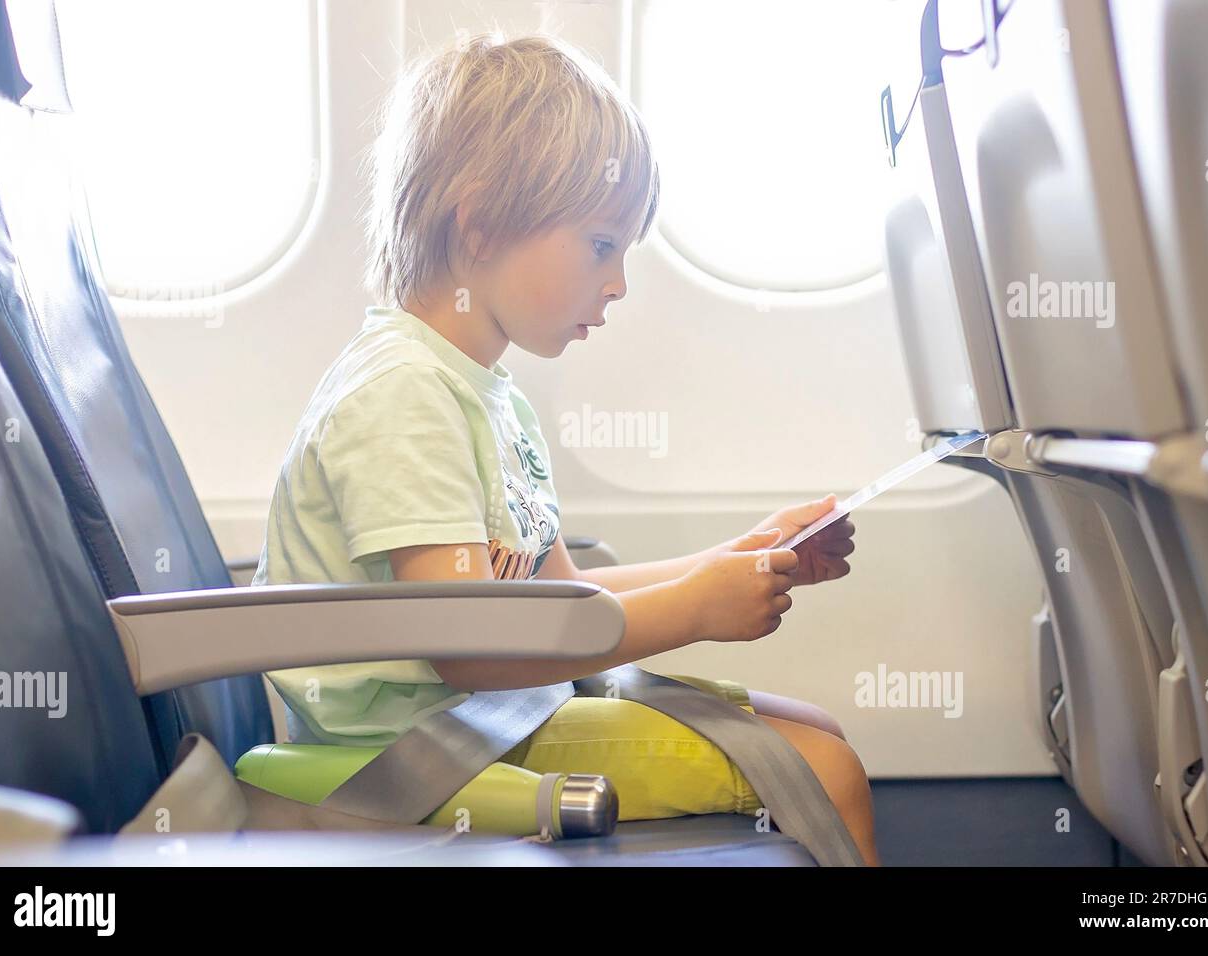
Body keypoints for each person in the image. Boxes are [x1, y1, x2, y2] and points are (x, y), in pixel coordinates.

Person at [253, 31, 877, 865]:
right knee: (825, 768)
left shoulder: (484, 393)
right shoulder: (400, 393)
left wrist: (742, 557)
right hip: (427, 748)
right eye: (600, 245)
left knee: (814, 729)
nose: (617, 282)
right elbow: (474, 647)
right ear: (478, 226)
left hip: (500, 716)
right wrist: (696, 610)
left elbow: (561, 599)